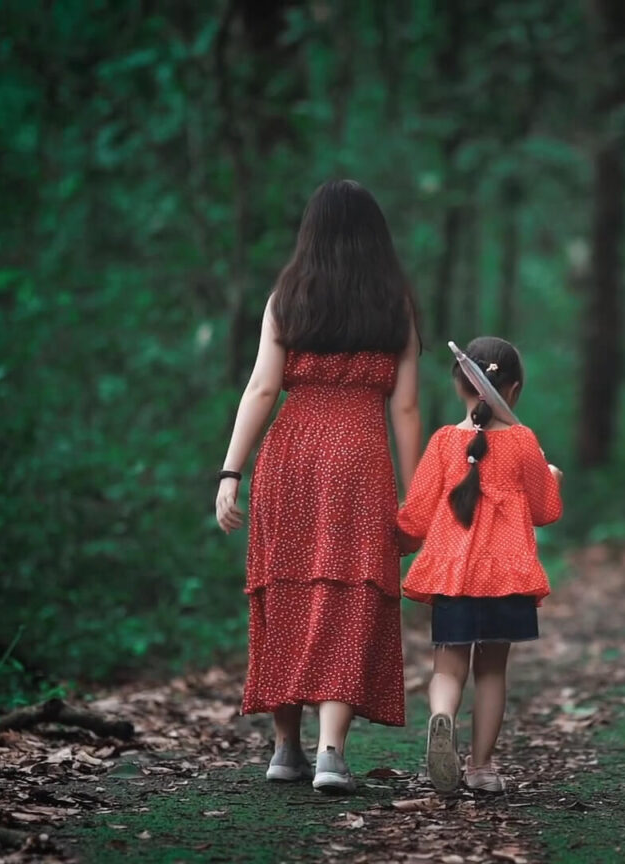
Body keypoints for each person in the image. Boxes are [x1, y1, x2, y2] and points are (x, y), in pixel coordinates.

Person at [214, 179, 421, 794]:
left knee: (286, 588)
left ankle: (285, 748)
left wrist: (231, 471)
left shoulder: (289, 296)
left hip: (291, 457)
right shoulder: (395, 303)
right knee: (351, 591)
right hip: (360, 459)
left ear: (311, 232)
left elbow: (261, 389)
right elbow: (406, 411)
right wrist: (416, 499)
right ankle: (330, 752)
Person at [397, 336, 563, 793]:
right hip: (506, 575)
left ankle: (442, 718)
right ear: (512, 391)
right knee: (492, 671)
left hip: (454, 574)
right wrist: (553, 477)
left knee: (448, 668)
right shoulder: (524, 442)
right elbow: (546, 511)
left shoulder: (443, 443)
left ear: (458, 386)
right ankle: (482, 767)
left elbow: (415, 514)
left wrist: (397, 542)